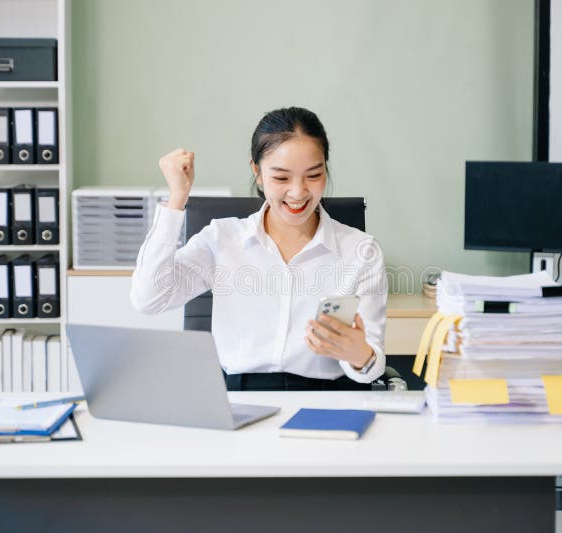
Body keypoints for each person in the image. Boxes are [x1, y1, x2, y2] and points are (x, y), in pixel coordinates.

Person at [130, 107, 387, 391]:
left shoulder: (361, 251)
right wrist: (176, 199)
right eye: (281, 178)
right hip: (241, 399)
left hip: (326, 401)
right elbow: (149, 299)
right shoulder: (222, 239)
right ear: (258, 172)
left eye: (313, 175)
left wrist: (358, 355)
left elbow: (371, 367)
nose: (298, 192)